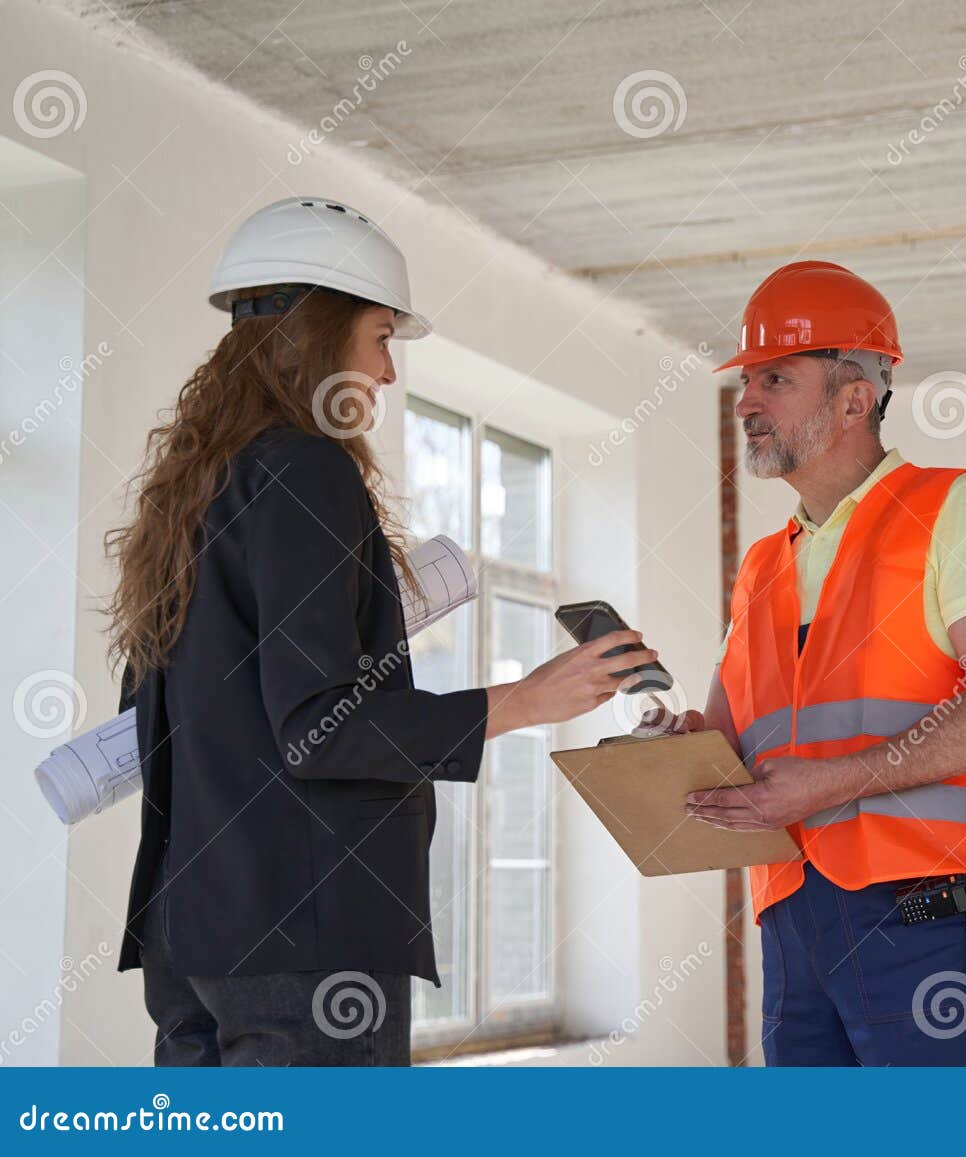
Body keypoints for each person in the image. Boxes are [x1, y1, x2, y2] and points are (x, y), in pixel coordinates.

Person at [104, 196, 654, 1066]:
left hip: (192, 938)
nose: (389, 372)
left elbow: (168, 710)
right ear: (319, 333)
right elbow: (317, 726)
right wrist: (524, 699)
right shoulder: (304, 468)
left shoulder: (193, 489)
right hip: (305, 944)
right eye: (381, 337)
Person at [668, 260, 966, 1065]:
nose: (749, 403)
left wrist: (830, 782)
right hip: (791, 918)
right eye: (747, 383)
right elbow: (724, 739)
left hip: (920, 916)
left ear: (853, 397)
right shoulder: (763, 565)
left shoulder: (952, 506)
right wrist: (670, 745)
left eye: (776, 378)